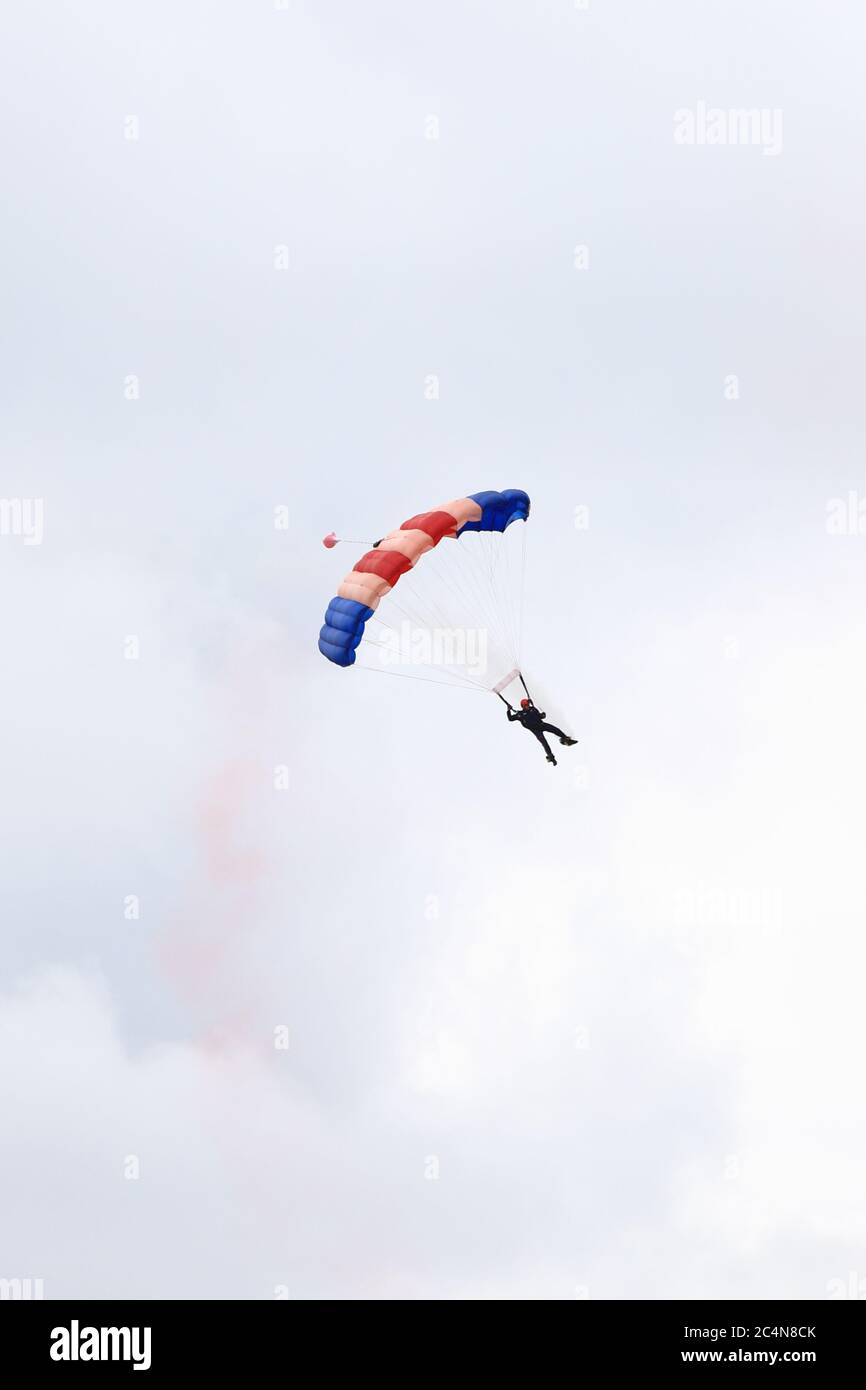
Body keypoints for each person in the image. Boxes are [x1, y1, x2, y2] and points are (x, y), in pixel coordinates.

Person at [506, 697, 577, 765]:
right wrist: (508, 710)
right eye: (525, 705)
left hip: (542, 725)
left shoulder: (533, 709)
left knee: (555, 729)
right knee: (544, 743)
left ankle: (566, 740)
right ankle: (551, 757)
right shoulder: (520, 714)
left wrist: (543, 715)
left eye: (528, 704)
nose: (527, 706)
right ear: (523, 706)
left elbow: (540, 716)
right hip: (536, 731)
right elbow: (510, 718)